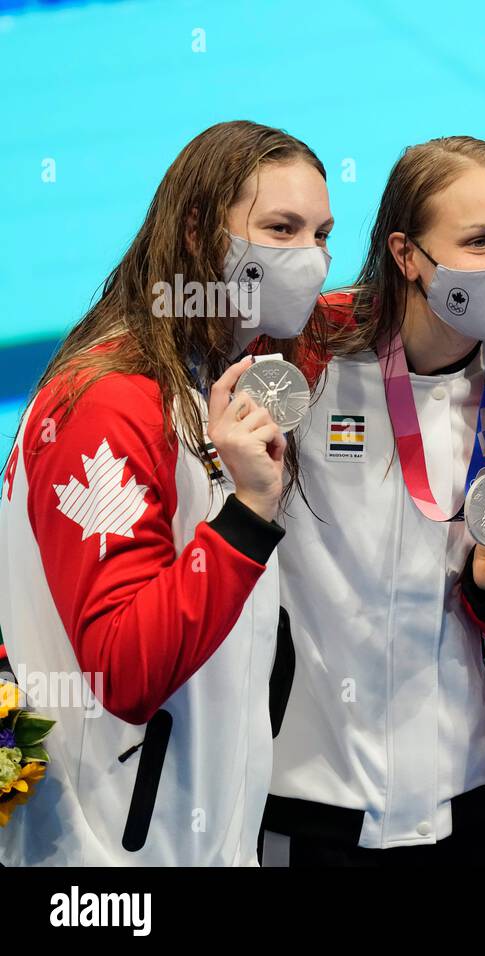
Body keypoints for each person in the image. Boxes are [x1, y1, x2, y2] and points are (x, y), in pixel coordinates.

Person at [0, 120, 332, 864]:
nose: (310, 260)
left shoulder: (204, 372)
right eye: (281, 229)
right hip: (103, 867)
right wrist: (247, 514)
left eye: (321, 234)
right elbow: (121, 668)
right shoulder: (106, 404)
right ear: (195, 234)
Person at [260, 136, 485, 866]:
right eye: (480, 242)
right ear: (406, 255)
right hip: (308, 787)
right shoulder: (304, 348)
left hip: (472, 782)